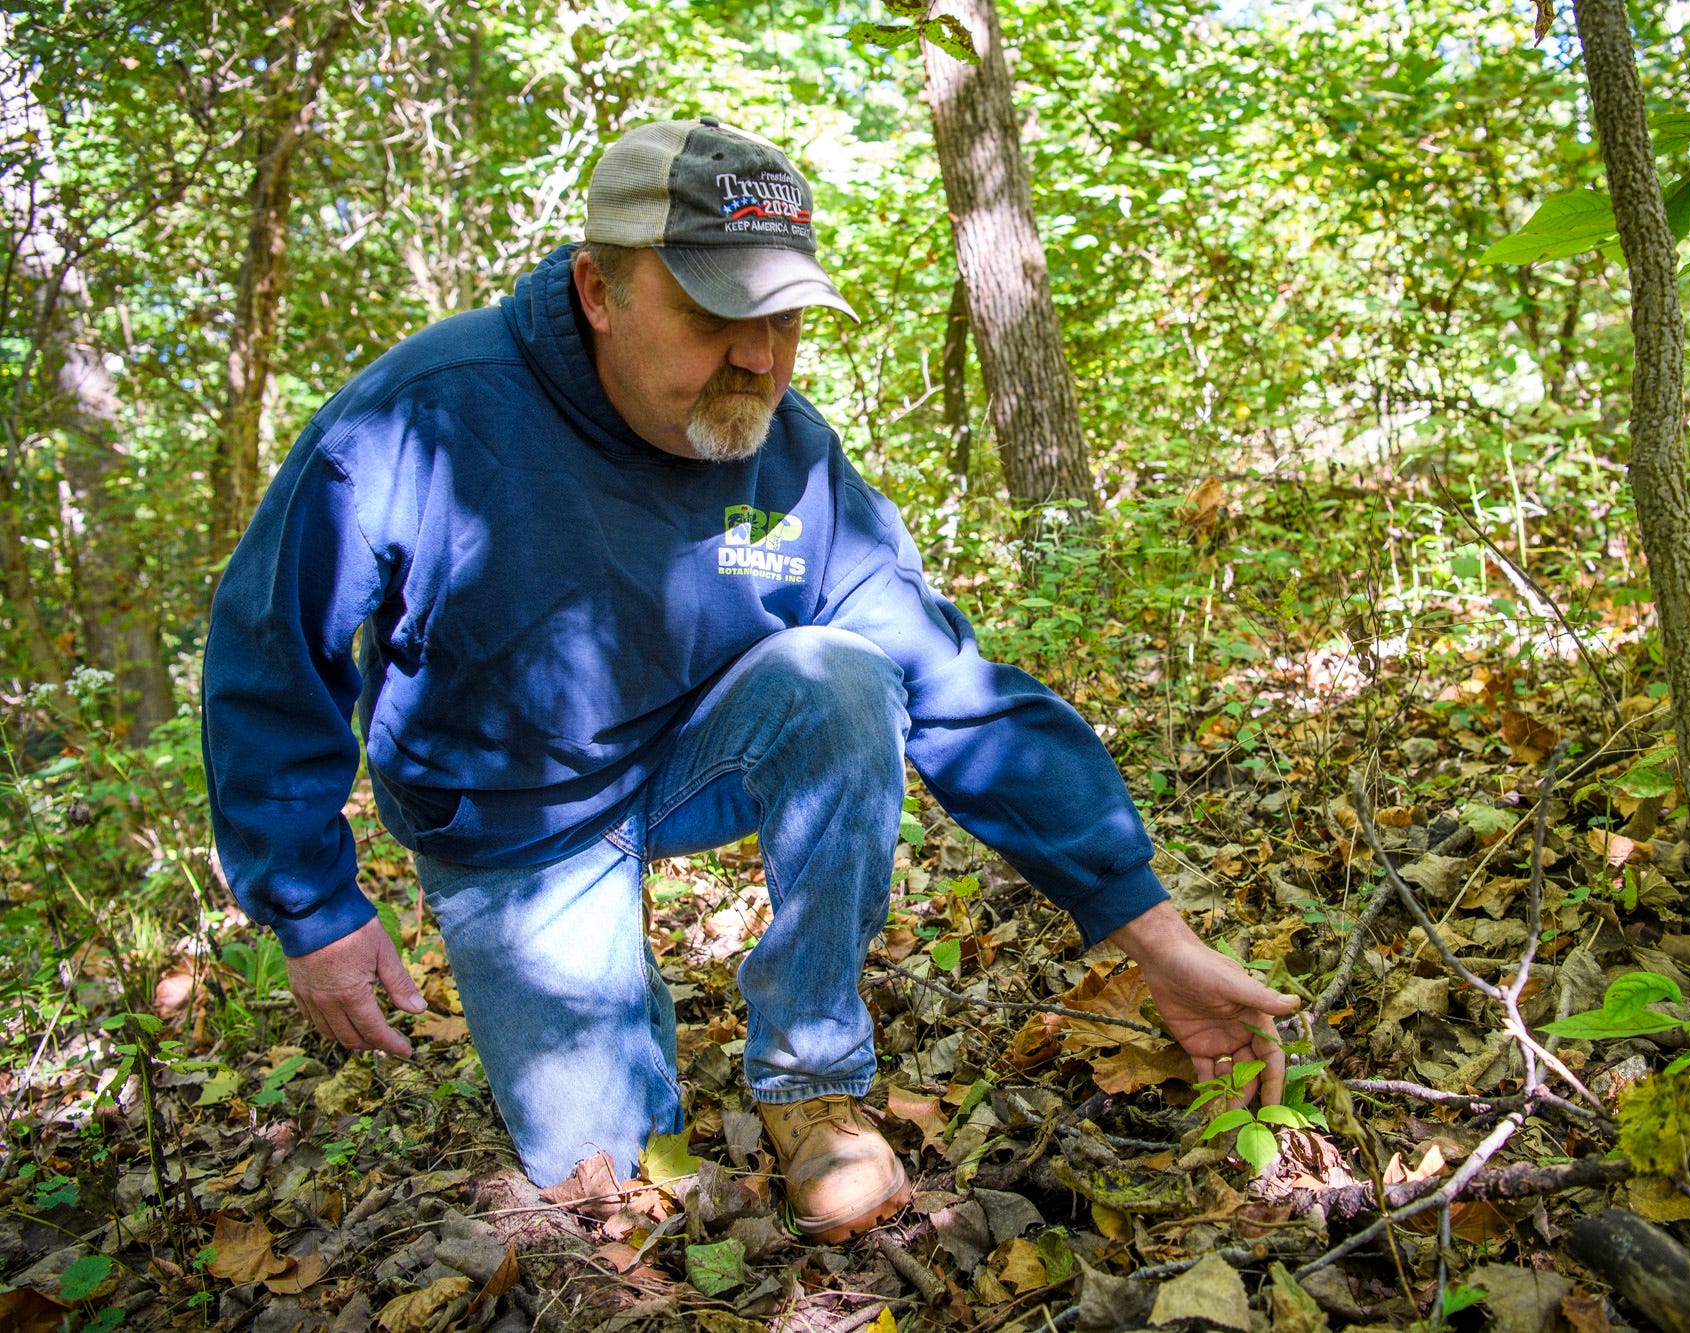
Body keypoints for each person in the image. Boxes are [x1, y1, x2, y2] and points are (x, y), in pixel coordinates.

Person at [202, 117, 1296, 1242]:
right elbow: (269, 651)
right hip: (511, 820)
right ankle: (612, 1073)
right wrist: (311, 904)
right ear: (598, 289)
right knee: (607, 1186)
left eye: (783, 319)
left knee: (841, 675)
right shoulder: (423, 418)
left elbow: (959, 691)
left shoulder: (787, 453)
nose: (760, 358)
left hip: (692, 754)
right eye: (717, 315)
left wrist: (1150, 935)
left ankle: (808, 1075)